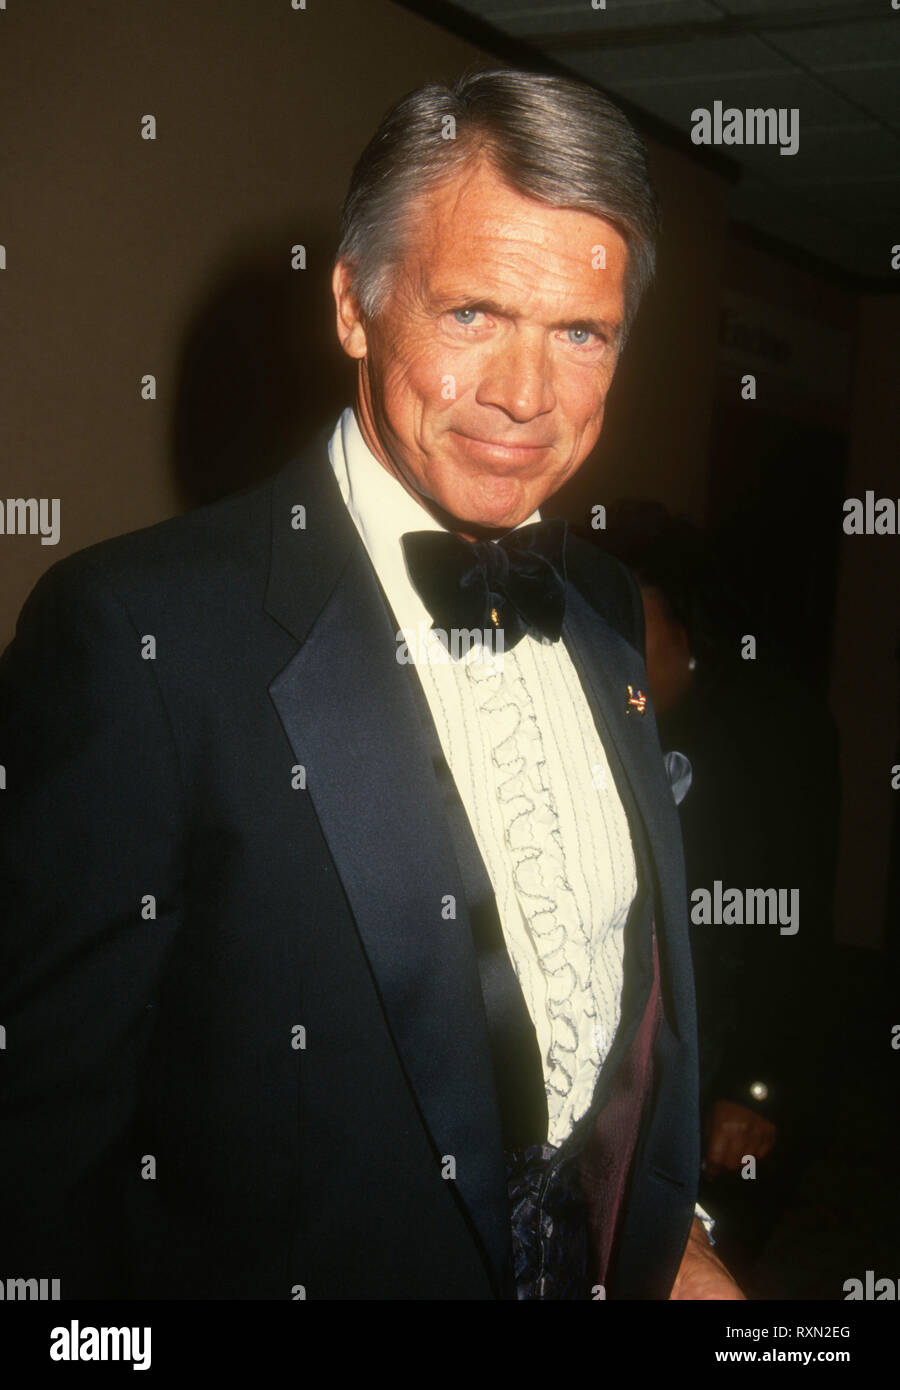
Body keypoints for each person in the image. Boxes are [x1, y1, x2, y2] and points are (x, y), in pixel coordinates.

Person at [0, 70, 740, 1300]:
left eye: (581, 333)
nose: (525, 395)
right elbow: (32, 1161)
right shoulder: (137, 635)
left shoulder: (608, 607)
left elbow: (618, 999)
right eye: (471, 315)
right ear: (355, 305)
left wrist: (677, 1233)